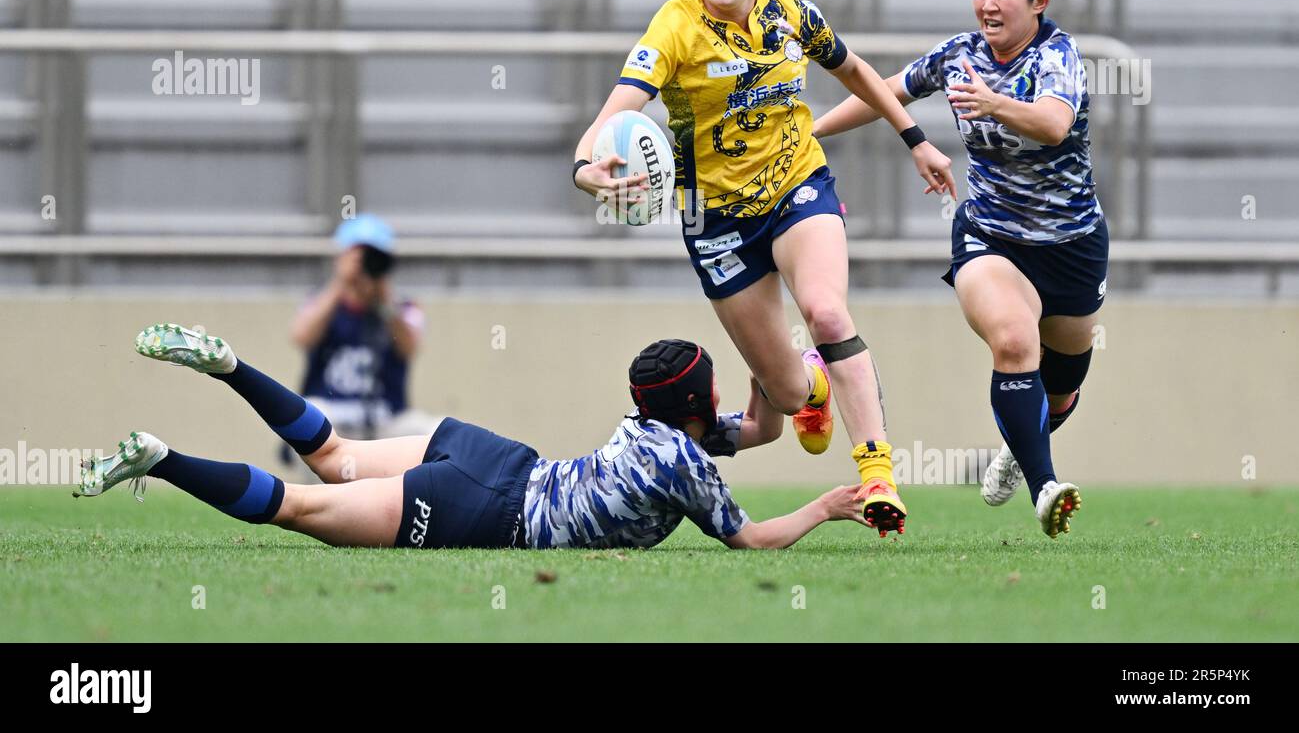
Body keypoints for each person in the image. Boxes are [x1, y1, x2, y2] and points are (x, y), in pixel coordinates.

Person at [571, 0, 956, 536]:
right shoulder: (673, 28)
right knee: (779, 407)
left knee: (829, 314)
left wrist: (915, 138)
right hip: (715, 221)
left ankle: (876, 475)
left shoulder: (792, 14)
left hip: (796, 185)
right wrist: (586, 169)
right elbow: (612, 114)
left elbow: (858, 72)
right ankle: (808, 387)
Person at [74, 324, 874, 551]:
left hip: (493, 454)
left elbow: (761, 428)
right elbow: (752, 540)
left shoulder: (656, 433)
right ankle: (163, 458)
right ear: (697, 407)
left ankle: (231, 366)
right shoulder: (683, 463)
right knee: (298, 505)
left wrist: (787, 369)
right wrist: (830, 505)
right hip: (484, 510)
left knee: (335, 455)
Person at [813, 0, 1105, 538]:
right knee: (1013, 342)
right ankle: (1046, 486)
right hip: (991, 236)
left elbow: (1054, 124)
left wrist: (994, 102)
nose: (987, 5)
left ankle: (1021, 450)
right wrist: (808, 133)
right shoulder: (959, 55)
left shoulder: (1058, 56)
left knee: (1062, 391)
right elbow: (884, 93)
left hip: (1073, 243)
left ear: (1038, 2)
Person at [291, 214, 430, 441]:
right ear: (341, 258)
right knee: (310, 417)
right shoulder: (321, 301)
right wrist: (341, 283)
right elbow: (301, 337)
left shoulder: (403, 307)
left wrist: (384, 298)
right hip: (332, 418)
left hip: (387, 420)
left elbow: (409, 348)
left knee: (429, 431)